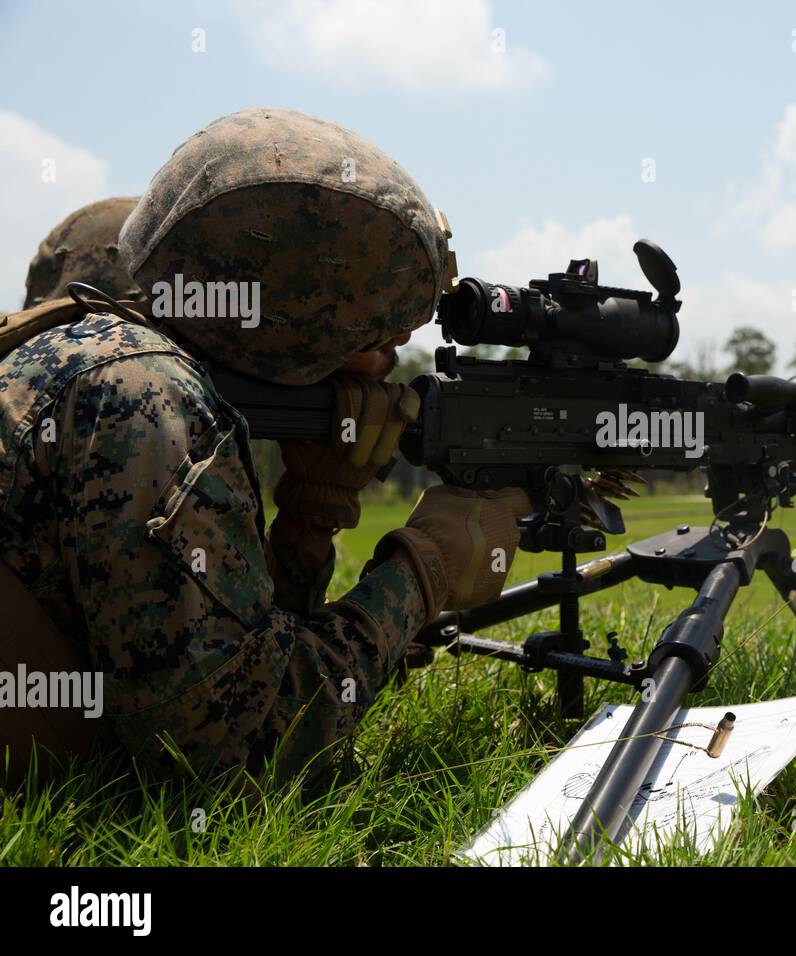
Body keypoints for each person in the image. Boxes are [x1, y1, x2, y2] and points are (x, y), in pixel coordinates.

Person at [0, 107, 529, 784]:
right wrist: (424, 571)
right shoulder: (145, 398)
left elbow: (233, 654)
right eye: (378, 339)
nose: (387, 368)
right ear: (298, 327)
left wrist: (313, 511)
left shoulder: (97, 350)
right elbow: (236, 756)